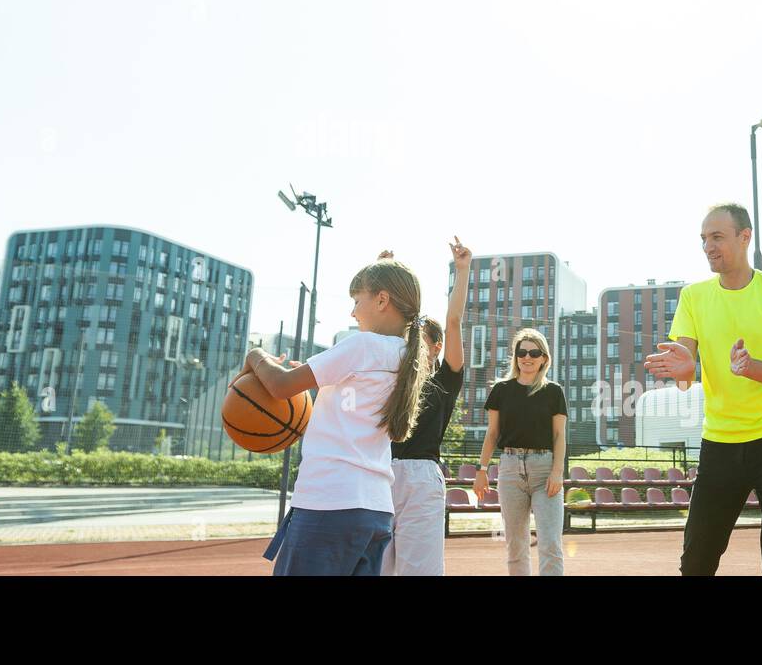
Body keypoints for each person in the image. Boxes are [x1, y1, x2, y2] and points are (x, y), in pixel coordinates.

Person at [644, 202, 762, 576]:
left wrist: (750, 368)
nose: (708, 246)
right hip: (720, 444)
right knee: (696, 560)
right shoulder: (693, 297)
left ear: (745, 237)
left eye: (717, 237)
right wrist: (685, 369)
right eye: (703, 239)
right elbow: (685, 371)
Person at [243, 254, 431, 575]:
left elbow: (280, 386)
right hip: (375, 511)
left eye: (357, 300)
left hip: (329, 503)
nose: (353, 311)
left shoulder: (362, 345)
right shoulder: (407, 357)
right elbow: (348, 385)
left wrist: (255, 355)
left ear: (382, 300)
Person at [381, 238, 470, 576]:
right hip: (380, 472)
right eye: (409, 335)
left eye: (420, 336)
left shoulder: (445, 381)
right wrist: (385, 274)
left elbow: (453, 321)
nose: (413, 341)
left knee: (419, 571)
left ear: (437, 346)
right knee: (375, 567)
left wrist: (462, 272)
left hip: (420, 477)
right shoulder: (389, 375)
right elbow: (379, 323)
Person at [473, 328, 567, 576]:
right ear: (515, 356)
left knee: (550, 544)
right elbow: (492, 434)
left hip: (544, 470)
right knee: (515, 545)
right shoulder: (501, 390)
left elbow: (559, 436)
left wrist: (557, 472)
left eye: (534, 352)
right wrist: (482, 470)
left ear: (544, 358)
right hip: (510, 470)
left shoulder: (554, 392)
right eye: (521, 352)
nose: (527, 357)